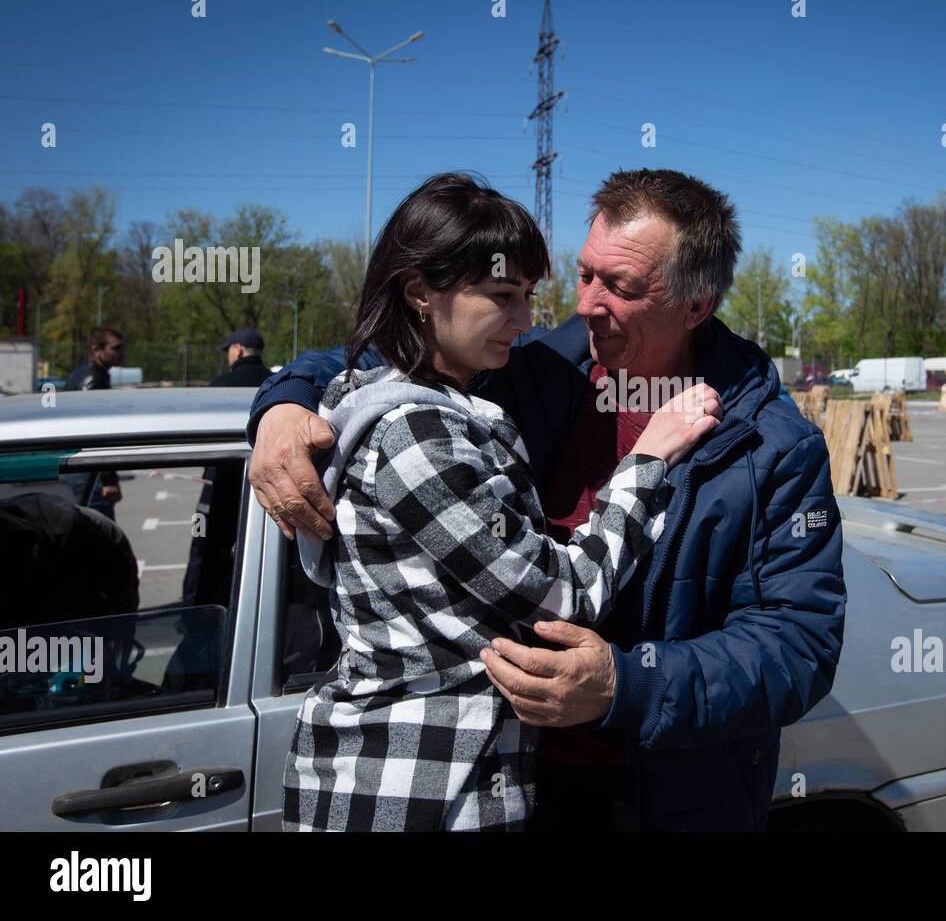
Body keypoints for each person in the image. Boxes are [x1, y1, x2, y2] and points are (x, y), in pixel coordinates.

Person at [248, 168, 846, 831]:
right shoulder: (532, 368)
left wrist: (629, 686)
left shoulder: (772, 445)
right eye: (586, 274)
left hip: (662, 796)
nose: (586, 304)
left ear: (695, 305)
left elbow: (799, 645)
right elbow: (389, 351)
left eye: (620, 287)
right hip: (505, 789)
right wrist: (282, 404)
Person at [181, 328, 274, 607]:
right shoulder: (276, 382)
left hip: (222, 484)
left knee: (206, 548)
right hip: (267, 481)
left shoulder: (221, 384)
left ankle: (198, 610)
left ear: (238, 350)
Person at [64, 326, 127, 520]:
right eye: (115, 348)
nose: (121, 353)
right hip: (90, 471)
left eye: (122, 347)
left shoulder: (90, 374)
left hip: (84, 467)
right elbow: (94, 432)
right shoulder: (92, 380)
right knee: (100, 535)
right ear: (96, 350)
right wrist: (108, 479)